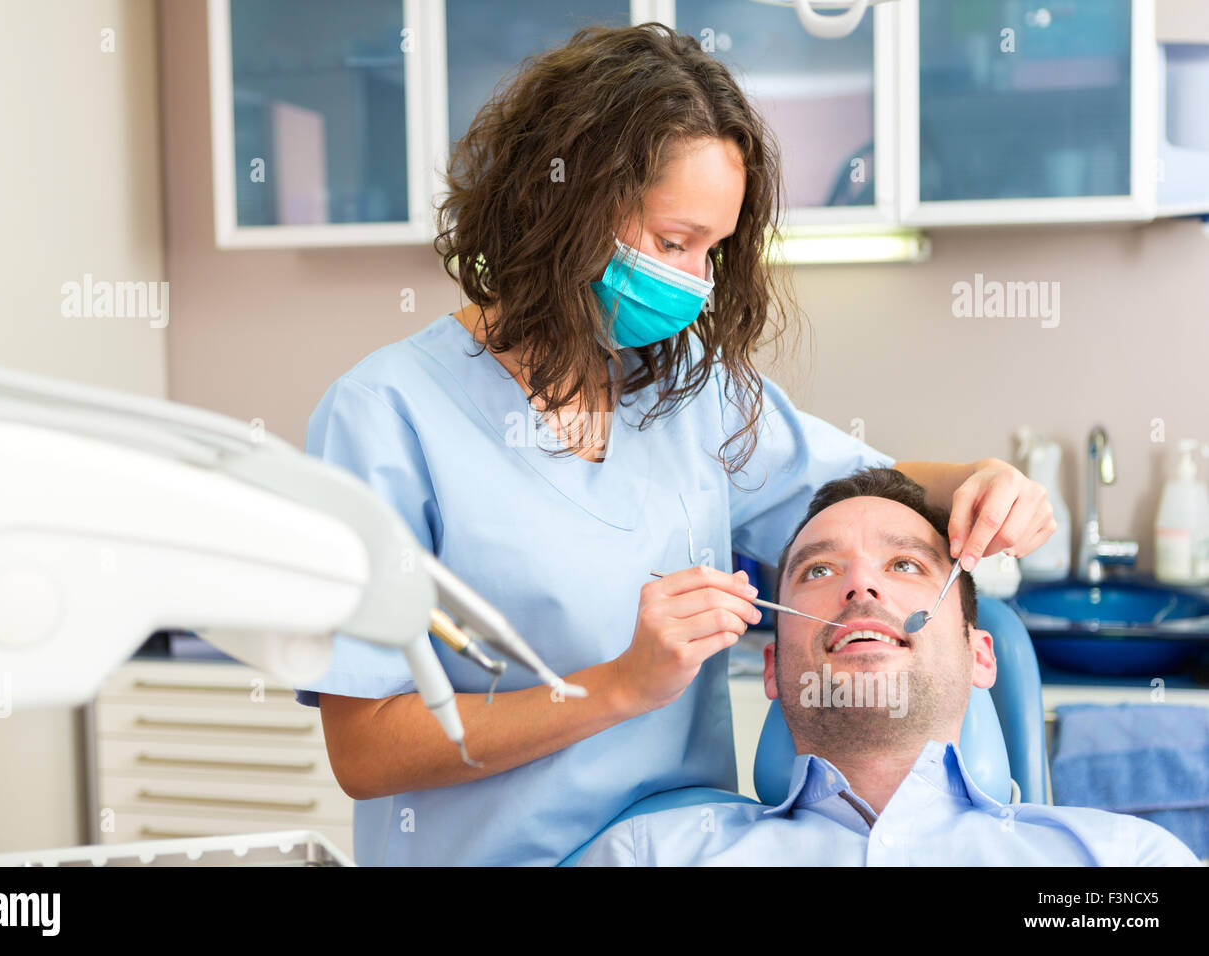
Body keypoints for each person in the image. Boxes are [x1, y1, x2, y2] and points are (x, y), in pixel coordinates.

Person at [294, 23, 1056, 866]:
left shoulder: (681, 383)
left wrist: (976, 481)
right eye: (670, 243)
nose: (694, 285)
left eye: (713, 252)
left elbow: (859, 496)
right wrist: (618, 688)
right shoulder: (385, 418)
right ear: (562, 204)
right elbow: (362, 750)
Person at [578, 467, 1201, 866]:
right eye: (819, 570)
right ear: (770, 669)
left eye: (904, 565)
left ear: (980, 655)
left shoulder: (1121, 868)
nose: (860, 587)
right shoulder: (650, 857)